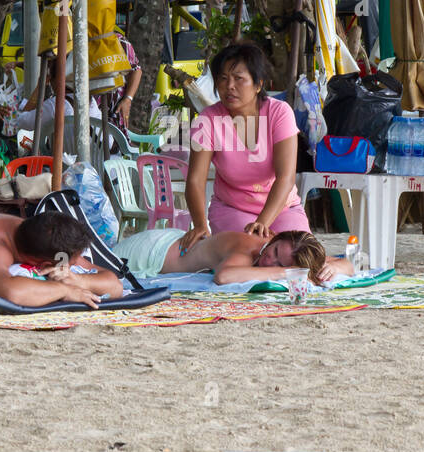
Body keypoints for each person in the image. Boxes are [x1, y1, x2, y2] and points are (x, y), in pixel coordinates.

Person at [179, 41, 308, 255]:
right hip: (232, 209)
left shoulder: (280, 112)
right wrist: (200, 224)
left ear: (258, 84)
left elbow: (286, 177)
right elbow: (195, 180)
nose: (229, 86)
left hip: (282, 207)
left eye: (238, 79)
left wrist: (263, 223)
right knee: (251, 253)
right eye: (222, 78)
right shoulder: (207, 120)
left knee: (299, 255)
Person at [116, 227, 351, 285]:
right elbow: (223, 277)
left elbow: (348, 264)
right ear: (274, 238)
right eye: (275, 252)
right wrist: (284, 272)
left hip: (177, 243)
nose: (270, 261)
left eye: (281, 263)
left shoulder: (291, 252)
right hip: (151, 253)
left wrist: (336, 268)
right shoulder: (246, 248)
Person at [109, 35, 143, 131]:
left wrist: (128, 99)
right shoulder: (74, 38)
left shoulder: (118, 40)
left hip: (113, 111)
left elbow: (136, 70)